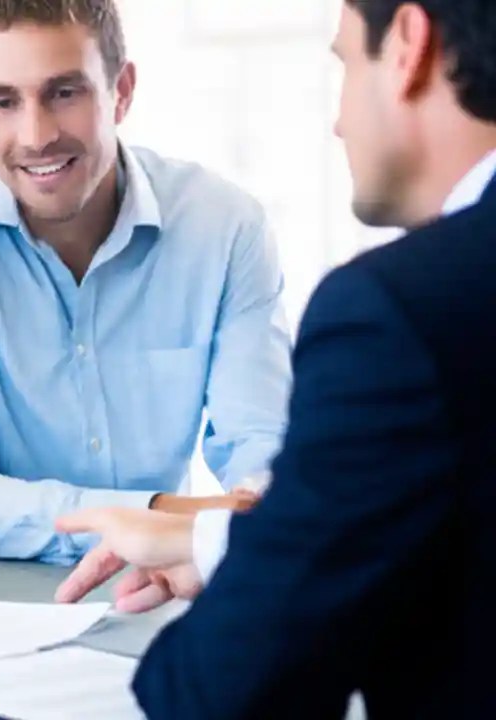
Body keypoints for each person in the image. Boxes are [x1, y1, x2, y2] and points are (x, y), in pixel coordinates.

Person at [56, 1, 496, 716]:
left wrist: (259, 565)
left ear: (410, 46)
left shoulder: (401, 312)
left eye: (347, 63)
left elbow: (225, 690)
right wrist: (218, 536)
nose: (340, 121)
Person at [0, 0, 290, 564]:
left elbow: (265, 447)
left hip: (161, 588)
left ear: (122, 90)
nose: (36, 135)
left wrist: (258, 505)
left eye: (65, 93)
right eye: (3, 101)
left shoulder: (225, 227)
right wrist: (157, 516)